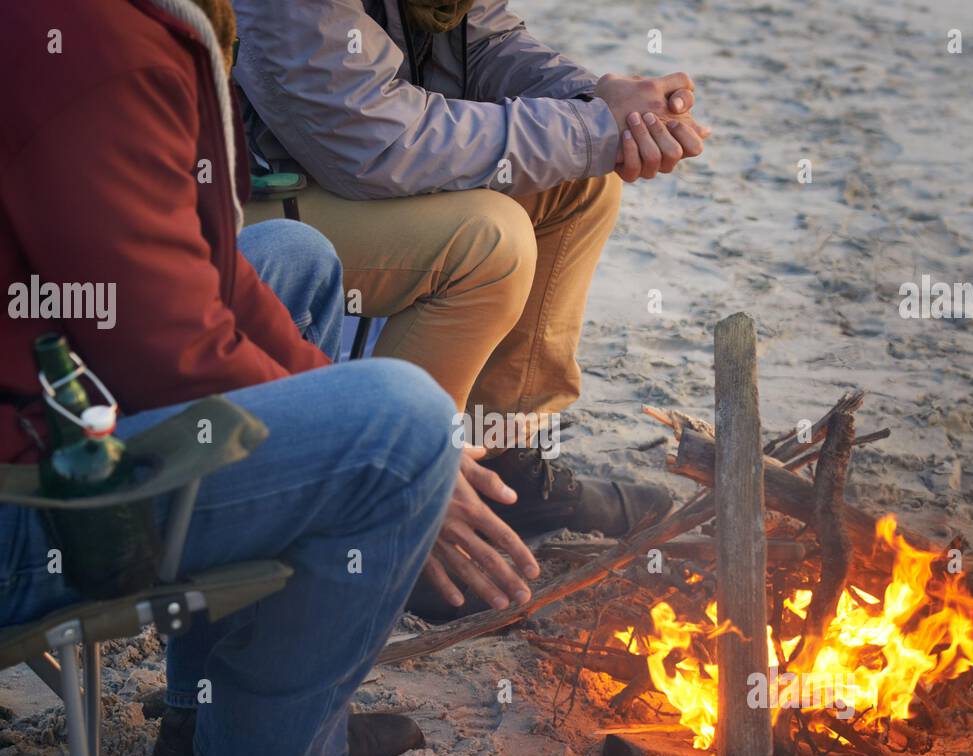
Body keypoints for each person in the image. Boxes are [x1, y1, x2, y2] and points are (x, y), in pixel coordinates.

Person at [0, 0, 491, 756]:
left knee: (298, 267)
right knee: (403, 428)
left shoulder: (104, 25)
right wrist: (412, 457)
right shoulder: (81, 44)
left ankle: (214, 722)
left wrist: (332, 389)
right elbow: (175, 357)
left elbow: (206, 273)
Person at [232, 0, 707, 614]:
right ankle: (404, 519)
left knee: (578, 185)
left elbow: (481, 42)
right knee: (487, 241)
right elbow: (373, 140)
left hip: (314, 166)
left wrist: (600, 98)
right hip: (227, 206)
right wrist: (593, 130)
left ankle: (497, 472)